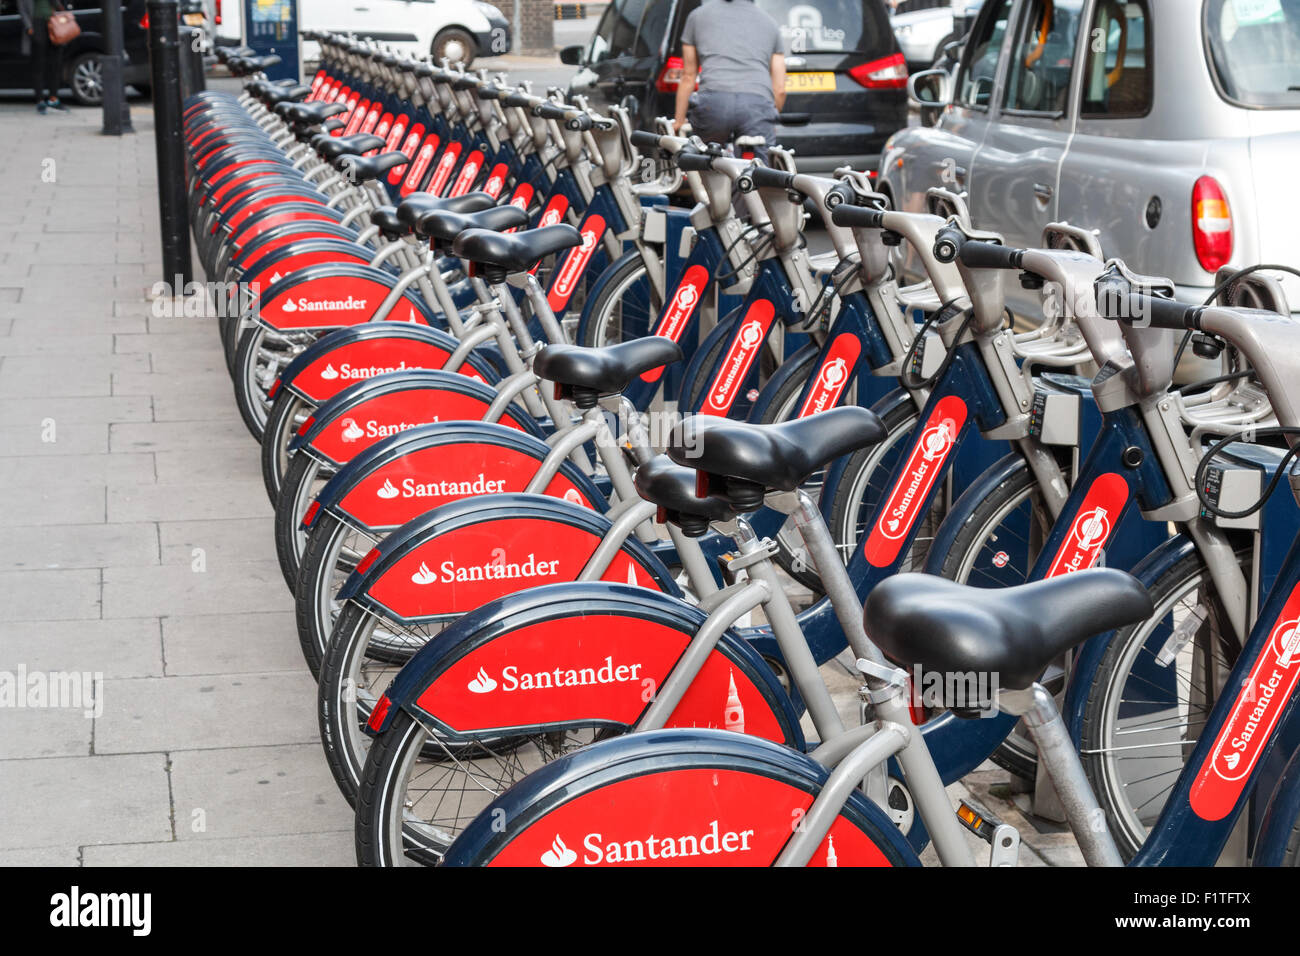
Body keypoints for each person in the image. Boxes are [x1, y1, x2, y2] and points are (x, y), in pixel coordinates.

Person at [672, 0, 786, 160]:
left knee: (706, 158)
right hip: (757, 106)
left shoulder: (697, 16)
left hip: (714, 105)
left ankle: (711, 179)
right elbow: (780, 88)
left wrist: (678, 121)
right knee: (760, 171)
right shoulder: (770, 23)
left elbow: (688, 76)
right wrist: (770, 117)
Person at [19, 0, 71, 114]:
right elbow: (22, 9)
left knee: (55, 63)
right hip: (36, 25)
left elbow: (58, 5)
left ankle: (53, 99)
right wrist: (29, 28)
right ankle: (40, 100)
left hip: (54, 24)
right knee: (38, 64)